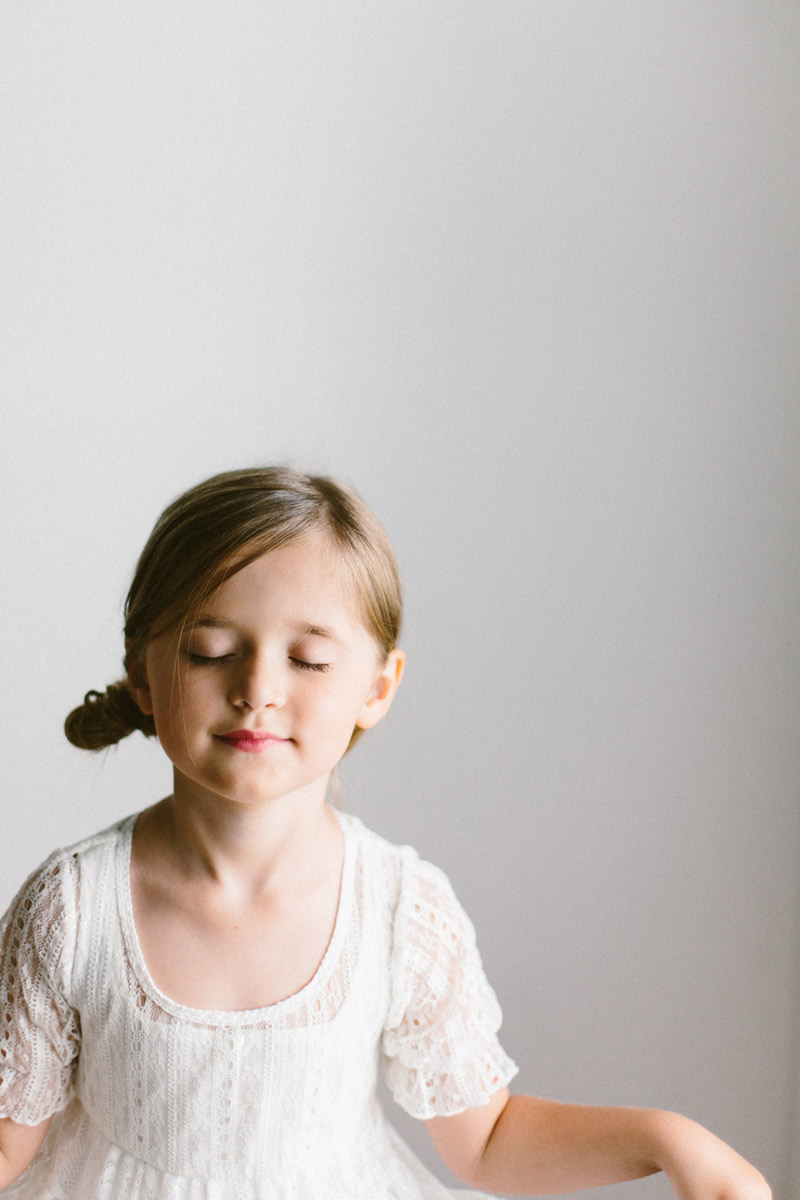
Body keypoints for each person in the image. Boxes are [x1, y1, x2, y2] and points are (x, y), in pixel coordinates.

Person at [0, 466, 770, 1199]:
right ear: (142, 672)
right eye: (213, 651)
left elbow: (490, 1139)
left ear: (376, 687)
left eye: (308, 659)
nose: (258, 690)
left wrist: (669, 1138)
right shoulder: (72, 911)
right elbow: (10, 1144)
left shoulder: (399, 909)